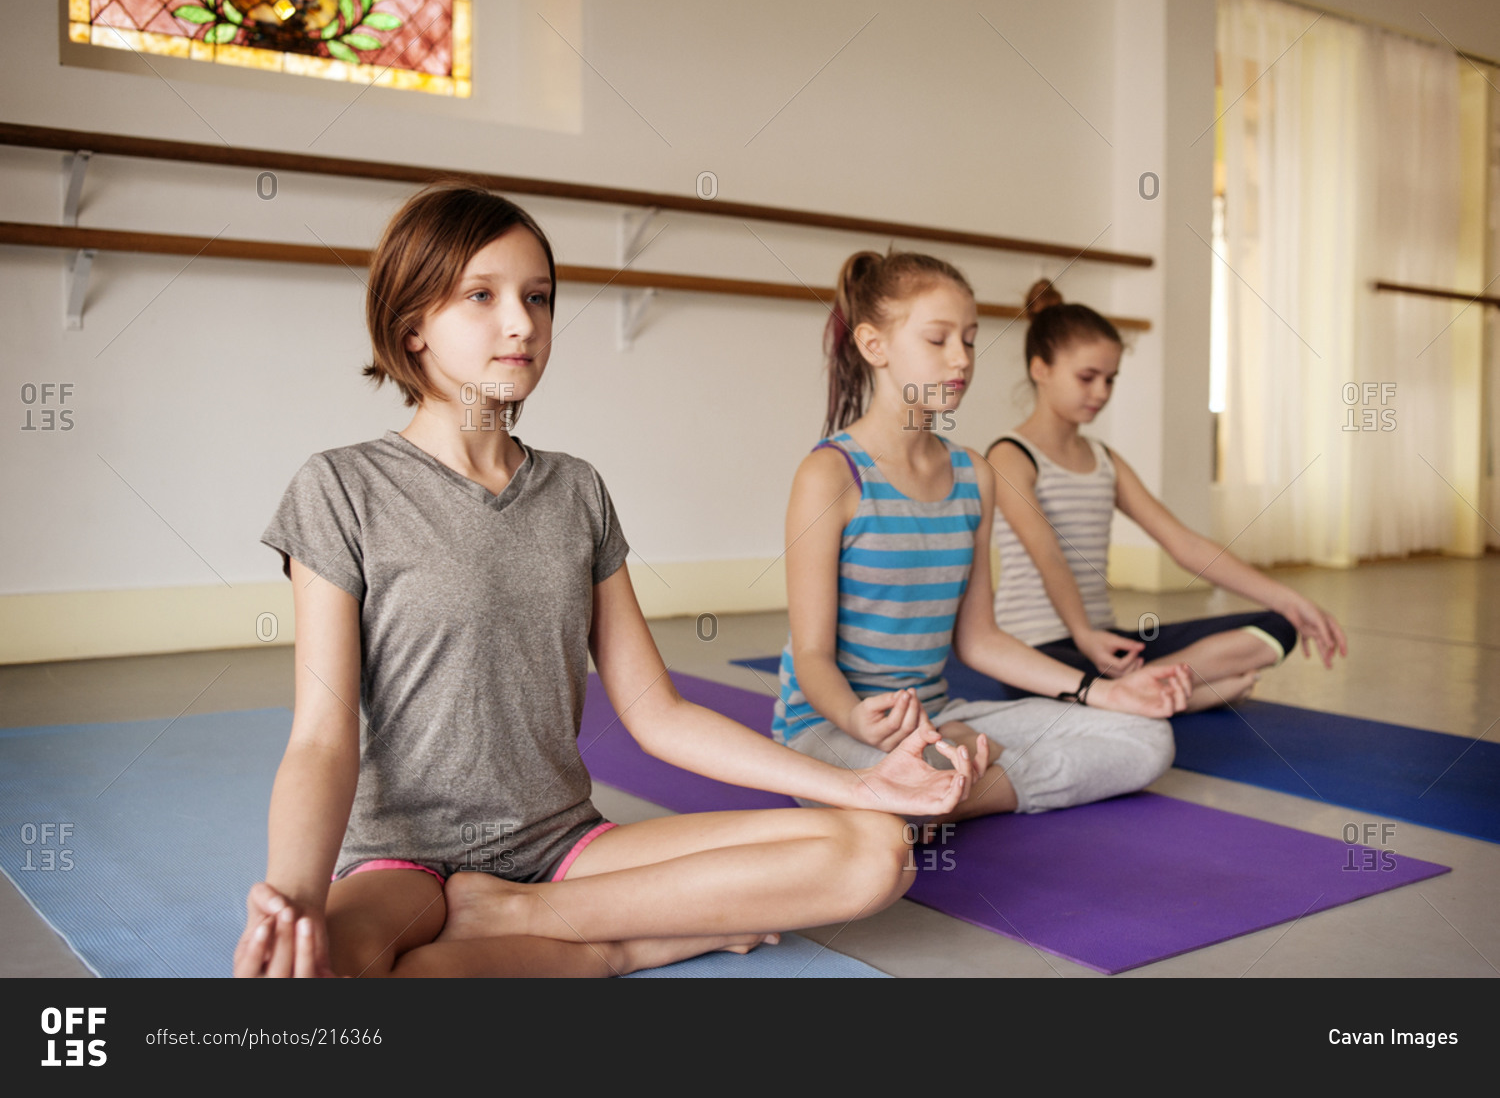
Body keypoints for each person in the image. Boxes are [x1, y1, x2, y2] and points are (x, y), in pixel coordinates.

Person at [234, 184, 985, 979]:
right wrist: (296, 896)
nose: (521, 323)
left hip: (567, 848)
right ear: (412, 325)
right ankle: (613, 945)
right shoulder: (341, 488)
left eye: (538, 297)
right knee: (327, 976)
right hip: (403, 869)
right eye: (481, 297)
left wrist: (859, 786)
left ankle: (530, 921)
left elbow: (656, 712)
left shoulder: (576, 491)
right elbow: (321, 739)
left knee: (877, 853)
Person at [773, 250, 1193, 826]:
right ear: (875, 346)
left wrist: (1101, 692)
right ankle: (946, 780)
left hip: (939, 715)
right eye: (938, 339)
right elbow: (813, 656)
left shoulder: (974, 474)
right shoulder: (828, 476)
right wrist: (855, 718)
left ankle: (946, 786)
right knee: (903, 790)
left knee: (1147, 739)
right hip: (828, 730)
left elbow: (981, 641)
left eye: (969, 340)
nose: (962, 360)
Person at [987, 280, 1347, 713]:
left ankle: (1145, 692)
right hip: (1037, 651)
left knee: (1279, 627)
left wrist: (1291, 600)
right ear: (1040, 368)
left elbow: (1185, 545)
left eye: (1110, 379)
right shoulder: (1009, 456)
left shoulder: (1104, 461)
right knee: (1100, 682)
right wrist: (1081, 634)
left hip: (1106, 645)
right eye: (1087, 377)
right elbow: (1048, 556)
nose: (1101, 392)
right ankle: (1177, 694)